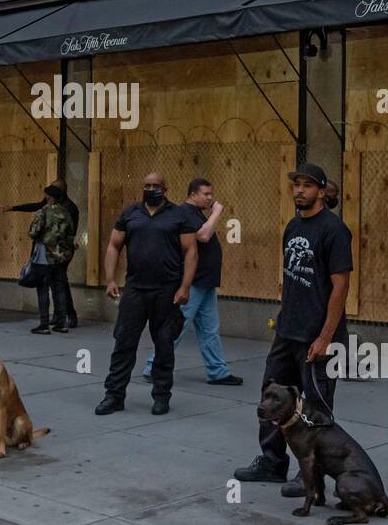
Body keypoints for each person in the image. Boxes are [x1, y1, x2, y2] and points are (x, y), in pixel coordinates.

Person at [234, 163, 353, 497]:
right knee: (271, 397)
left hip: (318, 337)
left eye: (307, 185)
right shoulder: (293, 226)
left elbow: (340, 286)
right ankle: (272, 462)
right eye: (296, 185)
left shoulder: (334, 230)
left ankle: (311, 477)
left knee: (315, 409)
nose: (300, 190)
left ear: (321, 190)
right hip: (287, 331)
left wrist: (326, 337)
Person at [94, 171, 197, 417]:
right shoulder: (131, 213)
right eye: (147, 185)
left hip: (167, 292)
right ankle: (114, 396)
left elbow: (191, 251)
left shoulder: (179, 215)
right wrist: (109, 279)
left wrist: (184, 287)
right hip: (135, 290)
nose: (151, 189)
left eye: (156, 185)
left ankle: (161, 397)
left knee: (164, 346)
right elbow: (113, 245)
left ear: (166, 187)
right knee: (123, 344)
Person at [142, 178, 242, 386]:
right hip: (193, 282)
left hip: (205, 282)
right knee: (177, 327)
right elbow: (203, 236)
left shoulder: (195, 214)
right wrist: (216, 213)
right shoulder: (185, 213)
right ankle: (154, 367)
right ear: (192, 194)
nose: (210, 198)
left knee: (209, 329)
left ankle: (218, 371)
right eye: (206, 194)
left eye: (211, 194)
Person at [7, 178, 80, 327]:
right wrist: (14, 207)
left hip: (49, 252)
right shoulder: (66, 209)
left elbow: (35, 231)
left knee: (51, 285)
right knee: (58, 283)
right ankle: (61, 316)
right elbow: (70, 231)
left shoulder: (58, 209)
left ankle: (63, 316)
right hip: (62, 251)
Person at [27, 184, 74, 334]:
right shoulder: (66, 213)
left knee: (42, 289)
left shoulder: (43, 212)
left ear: (49, 196)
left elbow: (33, 233)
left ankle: (44, 324)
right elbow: (71, 234)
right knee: (59, 288)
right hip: (60, 257)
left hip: (44, 256)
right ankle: (62, 322)